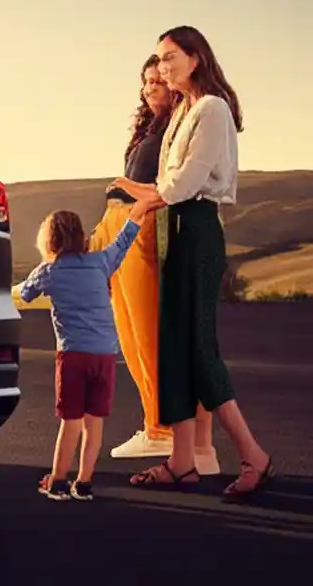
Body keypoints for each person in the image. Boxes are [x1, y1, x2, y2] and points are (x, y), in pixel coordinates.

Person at [112, 25, 275, 500]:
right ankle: (182, 462)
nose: (162, 68)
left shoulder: (211, 109)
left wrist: (140, 201)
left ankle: (255, 457)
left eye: (170, 58)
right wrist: (130, 191)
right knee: (174, 349)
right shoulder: (183, 110)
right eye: (159, 61)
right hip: (174, 228)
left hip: (198, 227)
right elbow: (166, 182)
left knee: (200, 349)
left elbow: (184, 185)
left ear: (196, 58)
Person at [19, 199, 158, 501]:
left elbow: (26, 294)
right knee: (93, 424)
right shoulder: (100, 261)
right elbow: (123, 240)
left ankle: (56, 481)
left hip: (72, 356)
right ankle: (83, 483)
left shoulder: (48, 271)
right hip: (105, 357)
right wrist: (138, 211)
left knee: (70, 422)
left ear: (50, 240)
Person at [92, 55, 179, 461]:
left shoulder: (180, 124)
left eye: (157, 82)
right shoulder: (149, 126)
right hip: (118, 219)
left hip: (141, 221)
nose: (149, 89)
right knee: (126, 334)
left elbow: (172, 184)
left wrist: (135, 204)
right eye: (145, 82)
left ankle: (162, 427)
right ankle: (153, 424)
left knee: (147, 331)